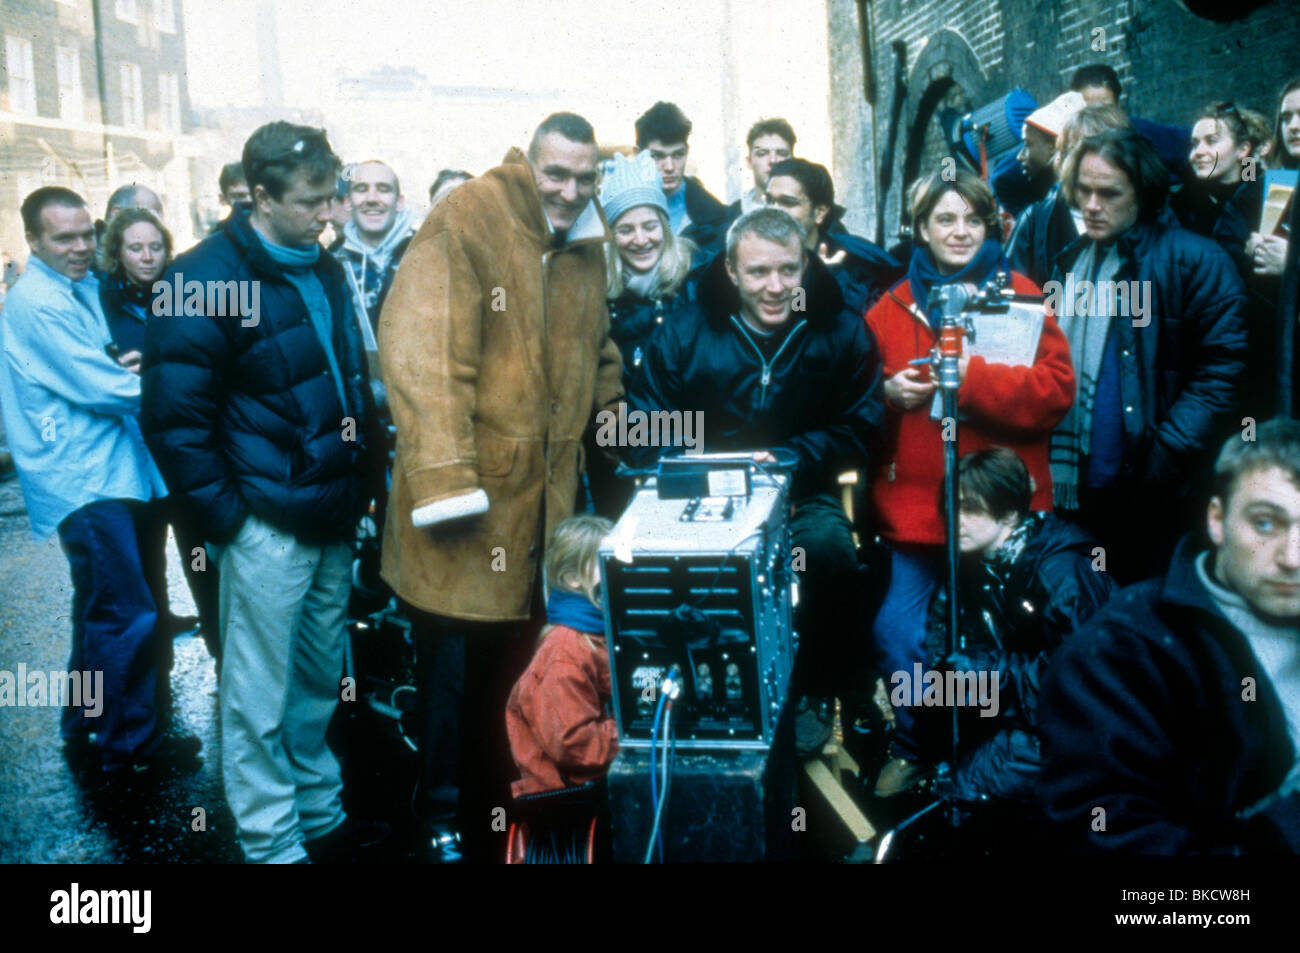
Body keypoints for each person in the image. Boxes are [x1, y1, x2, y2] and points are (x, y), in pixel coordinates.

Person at [377, 112, 624, 861]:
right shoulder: (469, 215)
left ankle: (500, 804)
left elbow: (598, 348)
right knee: (452, 665)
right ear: (528, 161)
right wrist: (448, 478)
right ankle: (441, 811)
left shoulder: (583, 239)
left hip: (539, 502)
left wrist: (620, 433)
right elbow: (419, 349)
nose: (570, 189)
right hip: (470, 501)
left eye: (585, 178)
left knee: (514, 665)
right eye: (557, 173)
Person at [142, 121, 384, 864]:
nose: (330, 213)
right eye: (313, 201)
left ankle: (317, 808)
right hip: (265, 525)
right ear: (260, 195)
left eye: (332, 197)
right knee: (255, 695)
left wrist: (363, 484)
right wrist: (233, 524)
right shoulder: (197, 279)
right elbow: (175, 423)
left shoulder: (326, 266)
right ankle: (272, 840)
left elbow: (348, 380)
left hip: (331, 513)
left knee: (317, 678)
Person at [628, 206, 884, 755]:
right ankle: (699, 691)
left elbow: (863, 427)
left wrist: (791, 460)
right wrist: (713, 474)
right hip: (699, 496)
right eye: (758, 273)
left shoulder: (839, 331)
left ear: (806, 265)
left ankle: (817, 687)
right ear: (730, 270)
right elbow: (648, 424)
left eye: (789, 271)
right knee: (670, 570)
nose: (775, 287)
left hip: (801, 488)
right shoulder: (684, 333)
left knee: (827, 555)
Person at [865, 168, 1076, 796]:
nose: (960, 232)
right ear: (922, 229)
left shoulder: (1022, 293)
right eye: (944, 220)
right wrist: (887, 394)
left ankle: (989, 759)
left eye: (972, 220)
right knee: (900, 632)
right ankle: (916, 740)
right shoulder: (889, 306)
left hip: (1003, 512)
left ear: (991, 225)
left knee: (994, 641)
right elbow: (853, 405)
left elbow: (1056, 393)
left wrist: (972, 379)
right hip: (919, 513)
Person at [0, 187, 196, 773]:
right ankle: (129, 745)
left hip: (99, 472)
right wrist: (183, 388)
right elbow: (101, 387)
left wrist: (124, 364)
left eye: (87, 233)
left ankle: (84, 718)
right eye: (64, 238)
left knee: (99, 604)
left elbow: (104, 363)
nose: (81, 247)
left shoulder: (73, 288)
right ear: (32, 241)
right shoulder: (38, 301)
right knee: (125, 610)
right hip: (85, 478)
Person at [1040, 419, 1300, 854]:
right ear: (1217, 520)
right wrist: (1280, 832)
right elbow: (1103, 841)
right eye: (1266, 524)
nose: (1292, 558)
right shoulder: (1119, 654)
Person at [1048, 126, 1250, 584]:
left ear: (1142, 192)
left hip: (1155, 485)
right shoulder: (1069, 260)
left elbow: (1224, 367)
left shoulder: (1194, 259)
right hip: (1078, 481)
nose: (1092, 206)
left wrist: (1168, 450)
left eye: (1109, 193)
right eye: (1083, 191)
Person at [887, 448, 1113, 807]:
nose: (955, 520)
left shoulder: (1063, 572)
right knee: (938, 693)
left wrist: (987, 676)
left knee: (967, 793)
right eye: (951, 508)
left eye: (970, 509)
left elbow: (1081, 680)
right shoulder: (977, 559)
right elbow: (947, 640)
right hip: (1018, 699)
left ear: (1008, 514)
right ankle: (925, 762)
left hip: (1078, 719)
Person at [97, 208, 221, 667]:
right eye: (135, 247)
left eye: (155, 247)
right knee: (148, 576)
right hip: (135, 460)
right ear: (118, 252)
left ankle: (223, 659)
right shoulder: (100, 303)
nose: (147, 257)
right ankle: (157, 689)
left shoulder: (187, 292)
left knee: (205, 567)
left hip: (187, 459)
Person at [586, 151, 697, 517]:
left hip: (689, 450)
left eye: (650, 225)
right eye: (625, 229)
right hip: (620, 457)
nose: (640, 239)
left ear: (664, 227)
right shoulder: (597, 296)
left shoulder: (694, 286)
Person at [1173, 102, 1274, 419]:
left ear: (1244, 149)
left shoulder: (1269, 199)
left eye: (1211, 141)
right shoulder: (1182, 205)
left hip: (1259, 356)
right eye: (1194, 143)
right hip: (1201, 355)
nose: (1198, 152)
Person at [506, 515, 619, 798]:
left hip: (597, 777)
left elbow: (632, 692)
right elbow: (576, 748)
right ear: (572, 578)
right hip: (569, 797)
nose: (617, 566)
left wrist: (652, 703)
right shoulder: (564, 651)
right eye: (603, 560)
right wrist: (631, 730)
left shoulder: (601, 633)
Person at [764, 157, 901, 318]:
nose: (773, 211)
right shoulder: (751, 258)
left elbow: (861, 329)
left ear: (819, 212)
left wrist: (827, 281)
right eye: (770, 201)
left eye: (787, 202)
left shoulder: (854, 268)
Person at [1004, 94, 1097, 287]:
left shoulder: (1033, 219)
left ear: (1055, 148)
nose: (1020, 157)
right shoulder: (1033, 220)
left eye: (1028, 145)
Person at [634, 101, 729, 260]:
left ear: (687, 152)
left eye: (678, 155)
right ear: (638, 154)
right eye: (657, 156)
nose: (670, 167)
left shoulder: (717, 216)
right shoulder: (616, 212)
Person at [332, 159, 415, 339]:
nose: (372, 199)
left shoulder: (431, 253)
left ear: (399, 202)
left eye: (383, 189)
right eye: (361, 189)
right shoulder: (331, 264)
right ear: (347, 202)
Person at [725, 118, 796, 222]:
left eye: (781, 153)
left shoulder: (809, 215)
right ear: (749, 162)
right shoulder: (728, 219)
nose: (773, 160)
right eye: (762, 153)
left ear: (793, 160)